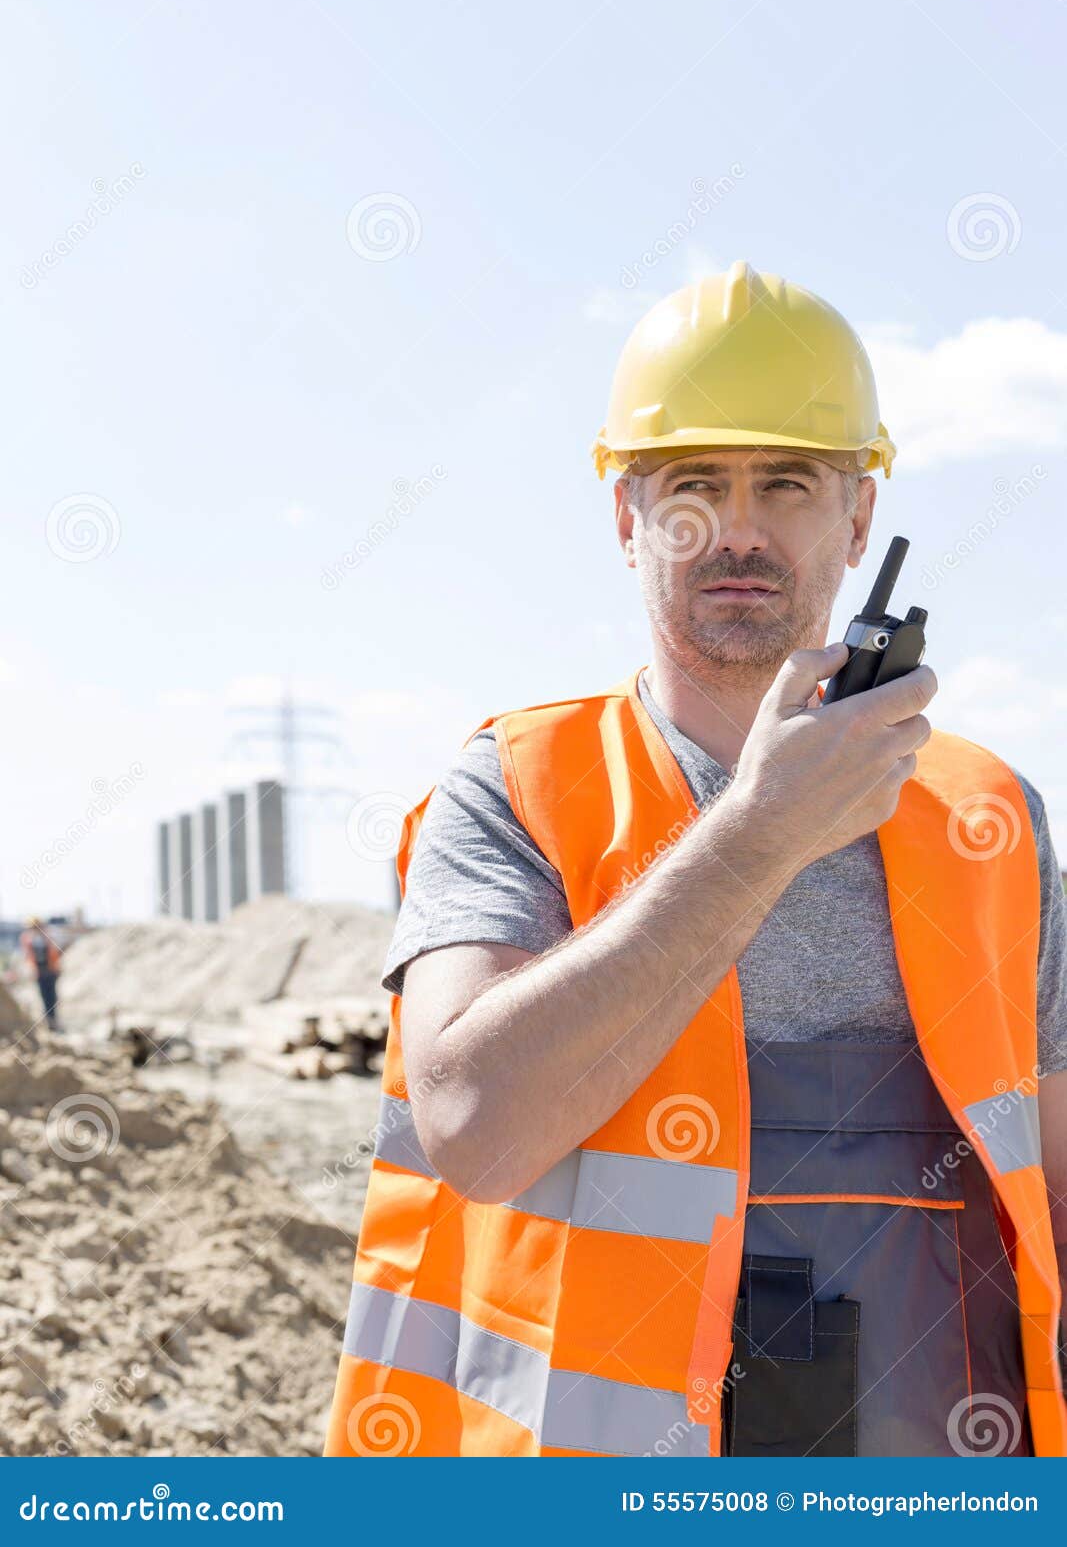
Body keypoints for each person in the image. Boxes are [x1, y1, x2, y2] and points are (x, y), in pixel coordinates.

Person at [326, 261, 1067, 1458]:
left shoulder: (988, 819)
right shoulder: (518, 788)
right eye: (690, 486)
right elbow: (474, 1126)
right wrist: (757, 834)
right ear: (626, 517)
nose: (737, 529)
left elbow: (1052, 1178)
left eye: (785, 483)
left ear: (858, 518)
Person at [20, 916, 62, 1031]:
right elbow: (28, 957)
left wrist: (57, 968)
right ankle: (49, 1022)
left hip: (51, 972)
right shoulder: (27, 939)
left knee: (52, 997)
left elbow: (55, 953)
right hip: (39, 973)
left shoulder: (48, 937)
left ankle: (53, 1021)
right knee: (44, 997)